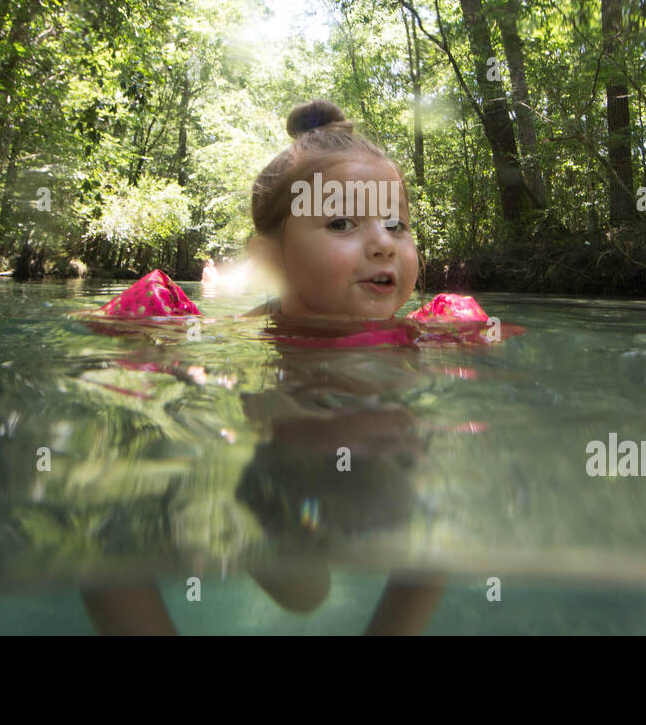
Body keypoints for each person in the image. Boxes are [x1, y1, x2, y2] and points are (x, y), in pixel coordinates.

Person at [81, 100, 509, 633]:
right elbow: (169, 346)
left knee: (441, 537)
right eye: (341, 221)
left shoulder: (426, 333)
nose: (382, 243)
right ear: (270, 258)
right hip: (274, 489)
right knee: (103, 546)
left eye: (396, 224)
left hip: (385, 475)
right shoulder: (252, 331)